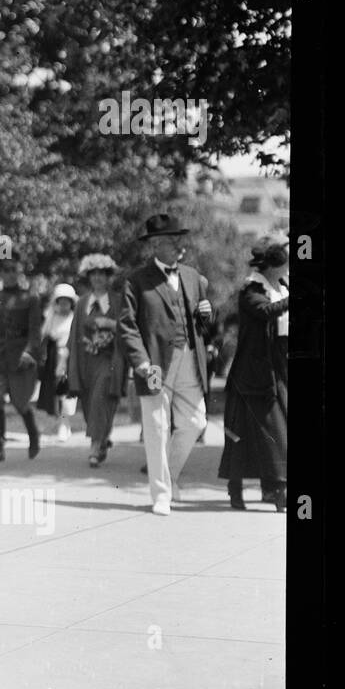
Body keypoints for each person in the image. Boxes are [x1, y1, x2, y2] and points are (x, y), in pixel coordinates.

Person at [116, 213, 218, 515]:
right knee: (157, 427)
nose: (178, 246)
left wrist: (206, 314)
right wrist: (142, 362)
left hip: (190, 357)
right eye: (172, 241)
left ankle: (168, 477)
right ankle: (161, 495)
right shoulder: (136, 280)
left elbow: (202, 325)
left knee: (196, 422)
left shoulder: (192, 276)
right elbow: (126, 326)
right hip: (156, 364)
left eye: (178, 240)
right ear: (155, 245)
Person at [218, 236, 288, 512]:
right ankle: (240, 489)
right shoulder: (251, 290)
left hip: (277, 366)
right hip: (253, 372)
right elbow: (266, 311)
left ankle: (273, 488)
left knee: (277, 430)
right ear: (272, 267)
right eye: (284, 265)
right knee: (250, 433)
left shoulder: (280, 285)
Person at [66, 253, 124, 467]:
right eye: (94, 274)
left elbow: (127, 329)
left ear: (109, 277)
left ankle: (94, 446)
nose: (98, 278)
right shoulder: (82, 303)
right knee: (90, 405)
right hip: (85, 360)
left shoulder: (118, 301)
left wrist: (110, 325)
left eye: (102, 274)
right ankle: (102, 439)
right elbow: (74, 335)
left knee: (101, 396)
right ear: (88, 277)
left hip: (109, 360)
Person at [0, 253, 43, 462]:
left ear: (19, 272)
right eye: (5, 270)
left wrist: (30, 351)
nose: (10, 274)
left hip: (21, 357)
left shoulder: (31, 298)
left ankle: (33, 435)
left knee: (20, 403)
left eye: (13, 269)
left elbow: (36, 331)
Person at [37, 283, 79, 443]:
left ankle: (65, 423)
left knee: (67, 394)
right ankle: (61, 422)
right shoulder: (51, 317)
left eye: (67, 302)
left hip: (70, 357)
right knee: (56, 392)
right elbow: (43, 335)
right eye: (60, 302)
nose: (63, 305)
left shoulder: (75, 317)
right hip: (54, 358)